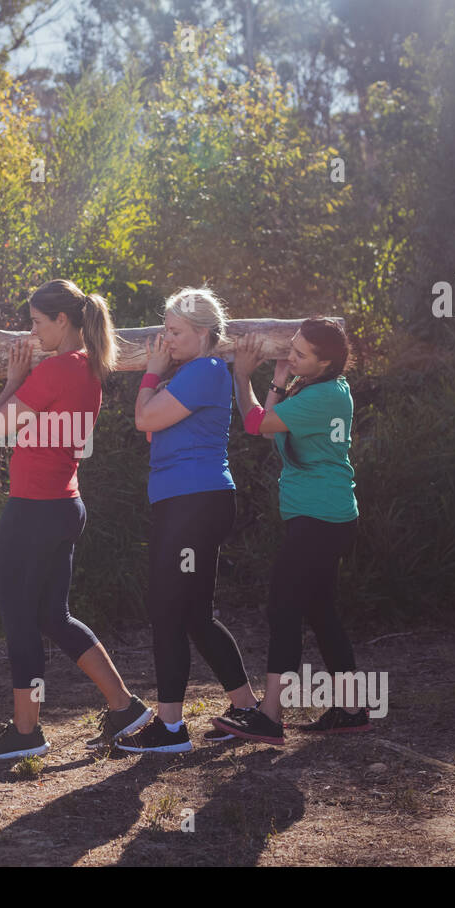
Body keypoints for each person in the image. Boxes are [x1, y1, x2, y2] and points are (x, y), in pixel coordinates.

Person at [0, 279, 151, 760]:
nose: (31, 333)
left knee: (20, 618)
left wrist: (12, 381)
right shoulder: (89, 367)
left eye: (36, 323)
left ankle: (26, 733)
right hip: (63, 505)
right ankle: (124, 707)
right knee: (52, 615)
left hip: (34, 509)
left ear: (62, 321)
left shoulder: (57, 371)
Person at [114, 288, 263, 753]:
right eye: (164, 329)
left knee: (167, 611)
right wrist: (159, 379)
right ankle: (246, 708)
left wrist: (152, 371)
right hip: (192, 502)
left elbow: (143, 419)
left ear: (203, 334)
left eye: (175, 332)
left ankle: (171, 727)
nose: (165, 339)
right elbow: (154, 426)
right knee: (195, 615)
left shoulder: (204, 370)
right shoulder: (195, 373)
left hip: (193, 504)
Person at [224, 317, 365, 744]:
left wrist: (242, 374)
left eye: (301, 354)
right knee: (320, 612)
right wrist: (281, 378)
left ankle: (269, 716)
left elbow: (256, 424)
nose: (292, 355)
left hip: (319, 519)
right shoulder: (325, 387)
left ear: (326, 361)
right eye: (293, 346)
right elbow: (272, 422)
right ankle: (353, 709)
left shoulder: (321, 396)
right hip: (328, 515)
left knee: (283, 609)